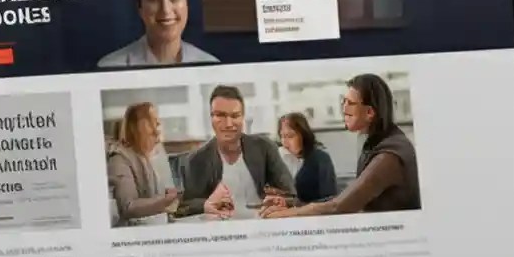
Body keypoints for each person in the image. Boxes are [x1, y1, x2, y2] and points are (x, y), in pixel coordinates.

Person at [261, 74, 419, 219]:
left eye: (350, 103)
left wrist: (285, 214)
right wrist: (291, 204)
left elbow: (341, 206)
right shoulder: (375, 144)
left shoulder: (388, 156)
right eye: (343, 101)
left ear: (370, 112)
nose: (343, 108)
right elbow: (342, 199)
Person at [178, 85, 295, 220]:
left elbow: (291, 194)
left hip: (263, 224)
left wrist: (280, 201)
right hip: (220, 228)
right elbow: (185, 207)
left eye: (235, 116)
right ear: (211, 118)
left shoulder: (264, 147)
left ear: (243, 117)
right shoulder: (196, 160)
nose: (228, 124)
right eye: (220, 115)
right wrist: (206, 204)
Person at [98, 0, 219, 68]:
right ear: (140, 8)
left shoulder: (211, 67)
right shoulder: (110, 68)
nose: (165, 9)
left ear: (187, 4)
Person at [107, 103, 180, 226]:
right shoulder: (119, 159)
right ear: (139, 128)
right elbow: (128, 207)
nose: (157, 130)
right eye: (153, 123)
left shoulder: (152, 155)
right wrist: (164, 202)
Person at [278, 112, 337, 204]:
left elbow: (328, 199)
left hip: (314, 211)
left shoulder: (320, 159)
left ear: (303, 135)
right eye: (282, 136)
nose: (284, 142)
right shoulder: (281, 157)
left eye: (290, 136)